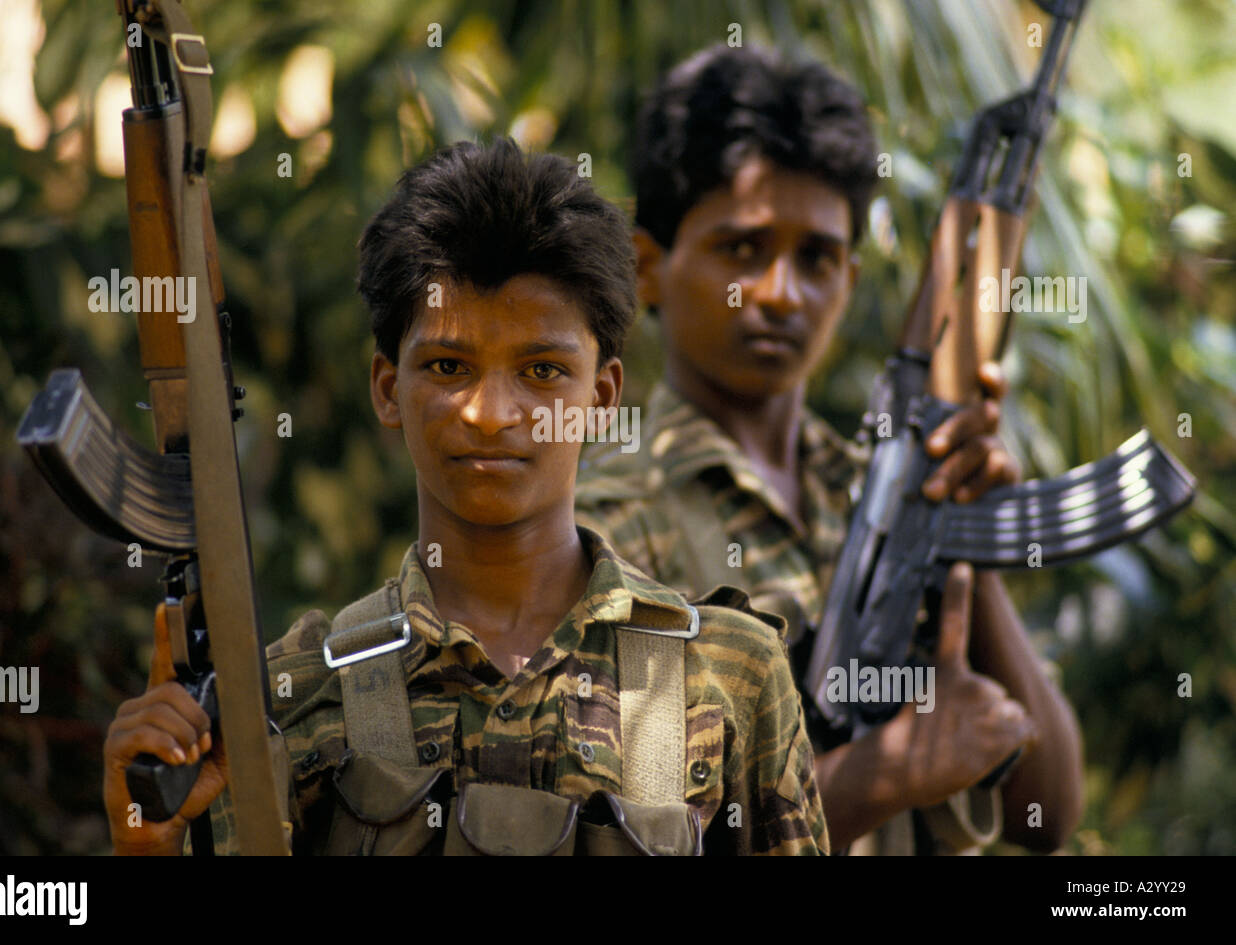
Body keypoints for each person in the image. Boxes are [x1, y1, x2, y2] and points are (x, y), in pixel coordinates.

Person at [101, 137, 828, 855]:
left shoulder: (729, 676)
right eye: (449, 365)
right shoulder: (296, 697)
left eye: (542, 371)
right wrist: (148, 845)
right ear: (389, 389)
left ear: (602, 395)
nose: (490, 412)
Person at [575, 45, 1083, 854]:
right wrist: (887, 771)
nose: (781, 291)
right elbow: (642, 840)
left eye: (817, 257)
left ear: (849, 275)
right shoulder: (604, 534)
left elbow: (1044, 814)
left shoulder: (876, 489)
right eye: (742, 248)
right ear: (648, 269)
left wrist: (963, 546)